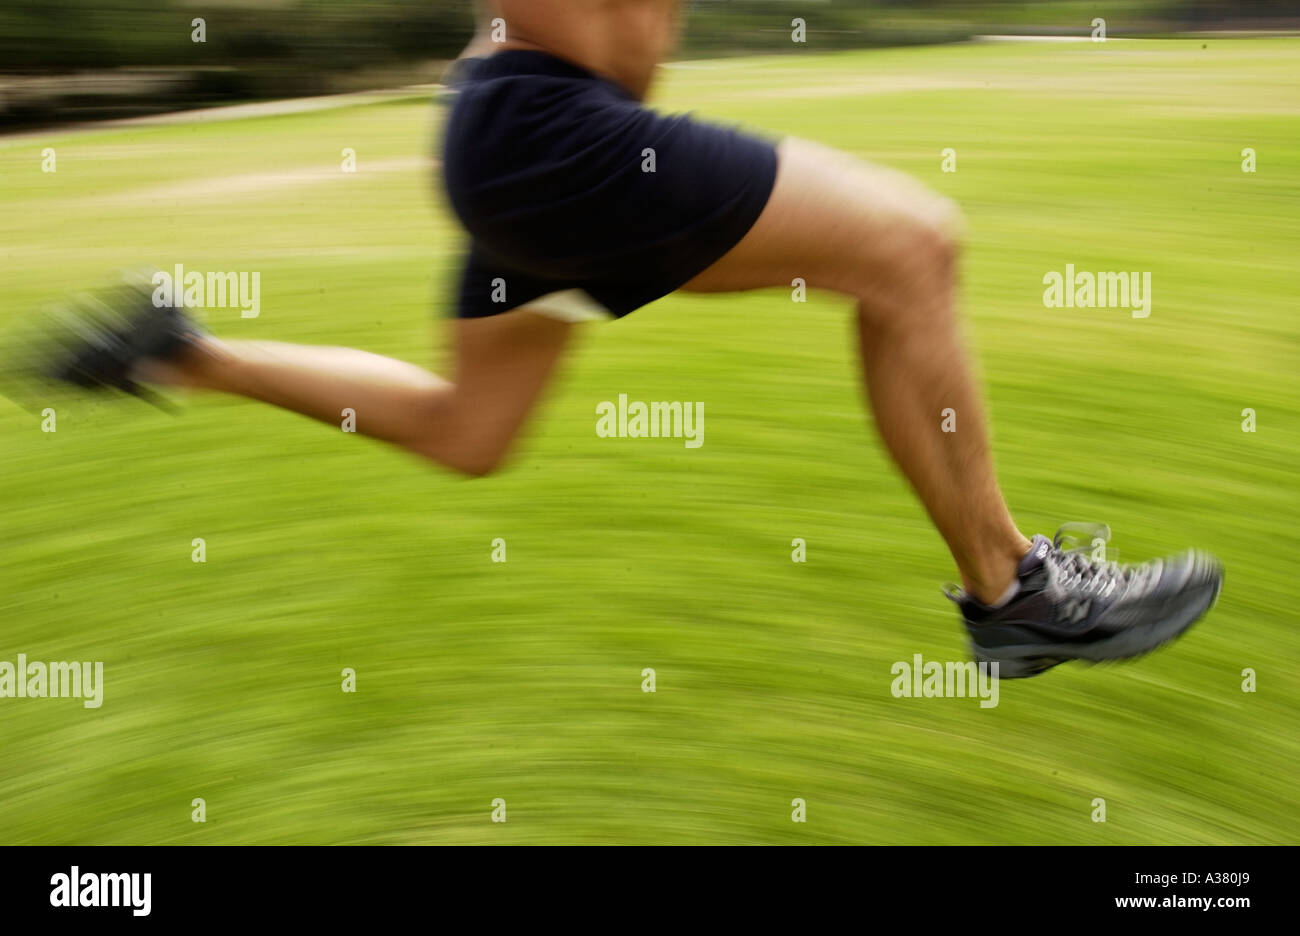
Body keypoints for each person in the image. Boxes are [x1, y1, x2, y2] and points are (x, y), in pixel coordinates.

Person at [34, 0, 1222, 678]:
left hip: (524, 142)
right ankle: (1011, 585)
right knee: (912, 248)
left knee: (472, 430)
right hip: (554, 132)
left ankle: (181, 351)